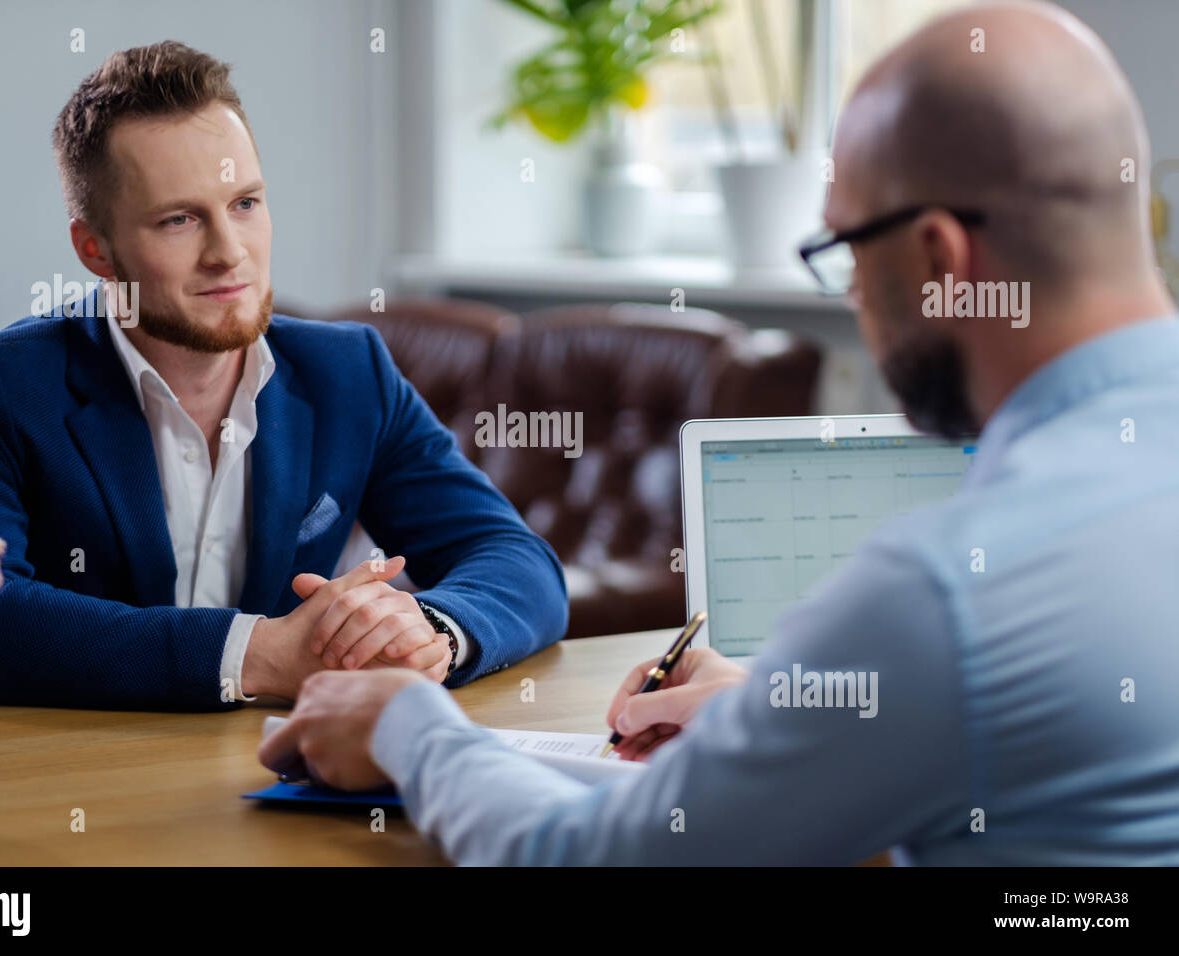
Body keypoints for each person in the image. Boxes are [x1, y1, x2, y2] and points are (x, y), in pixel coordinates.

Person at [258, 1, 1179, 864]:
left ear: (939, 259)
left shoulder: (945, 593)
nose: (854, 298)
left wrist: (409, 728)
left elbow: (591, 855)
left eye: (846, 254)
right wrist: (791, 717)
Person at [0, 42, 567, 711]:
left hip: (276, 763)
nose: (229, 253)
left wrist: (429, 631)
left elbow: (514, 559)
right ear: (95, 248)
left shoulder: (349, 372)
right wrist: (256, 653)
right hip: (70, 768)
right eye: (179, 220)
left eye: (245, 204)